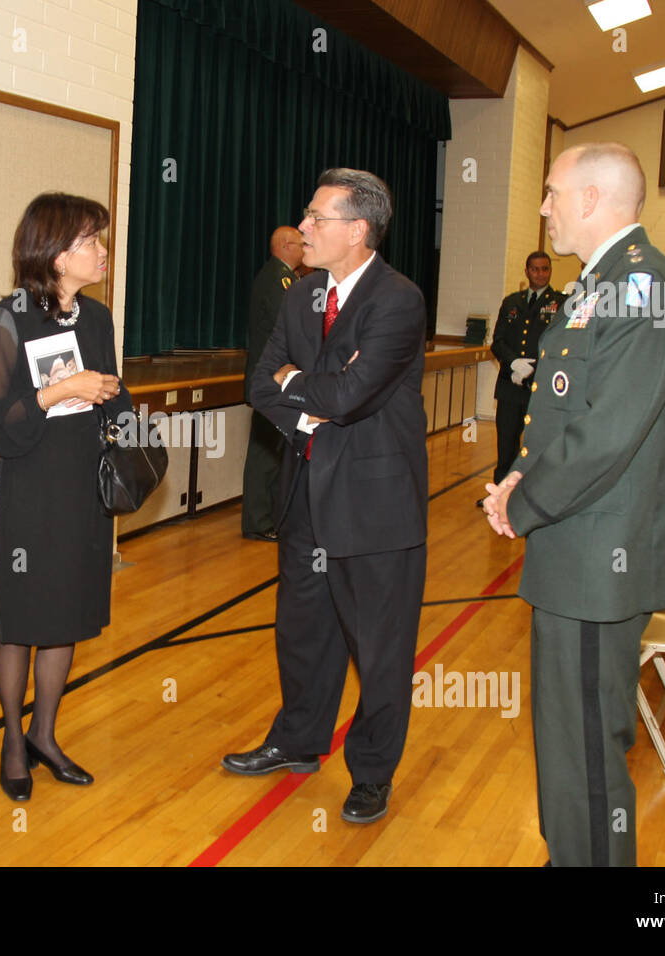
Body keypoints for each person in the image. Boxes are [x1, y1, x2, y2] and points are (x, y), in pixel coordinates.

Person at [483, 142, 665, 866]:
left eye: (551, 192)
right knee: (570, 737)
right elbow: (563, 411)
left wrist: (524, 503)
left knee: (586, 744)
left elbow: (609, 432)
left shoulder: (643, 286)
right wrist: (518, 477)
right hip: (579, 545)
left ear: (591, 198)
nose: (543, 208)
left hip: (596, 551)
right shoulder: (602, 284)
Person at [223, 168, 428, 825]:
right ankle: (298, 740)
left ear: (358, 230)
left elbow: (350, 394)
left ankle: (371, 773)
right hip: (306, 491)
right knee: (302, 630)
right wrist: (310, 403)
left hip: (373, 504)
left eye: (316, 218)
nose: (302, 227)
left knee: (379, 647)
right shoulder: (301, 295)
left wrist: (303, 388)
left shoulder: (398, 300)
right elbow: (262, 382)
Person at [0, 193, 126, 802]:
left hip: (82, 489)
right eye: (91, 240)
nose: (101, 252)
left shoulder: (97, 320)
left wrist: (117, 401)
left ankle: (45, 734)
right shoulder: (7, 319)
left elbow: (114, 399)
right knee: (22, 621)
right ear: (58, 254)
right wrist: (56, 391)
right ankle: (13, 740)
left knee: (64, 614)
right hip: (32, 491)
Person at [481, 251, 565, 506]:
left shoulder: (561, 303)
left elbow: (561, 346)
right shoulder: (511, 302)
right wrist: (514, 363)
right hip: (509, 386)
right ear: (527, 271)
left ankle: (531, 498)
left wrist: (533, 369)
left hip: (539, 389)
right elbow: (498, 342)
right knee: (506, 443)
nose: (540, 274)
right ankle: (498, 495)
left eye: (545, 269)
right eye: (535, 269)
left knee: (537, 444)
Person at [241, 226, 305, 540]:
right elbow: (293, 324)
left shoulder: (287, 278)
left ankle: (272, 516)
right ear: (285, 245)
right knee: (264, 454)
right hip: (271, 380)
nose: (305, 249)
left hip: (280, 379)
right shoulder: (276, 279)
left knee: (277, 454)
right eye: (301, 244)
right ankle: (257, 521)